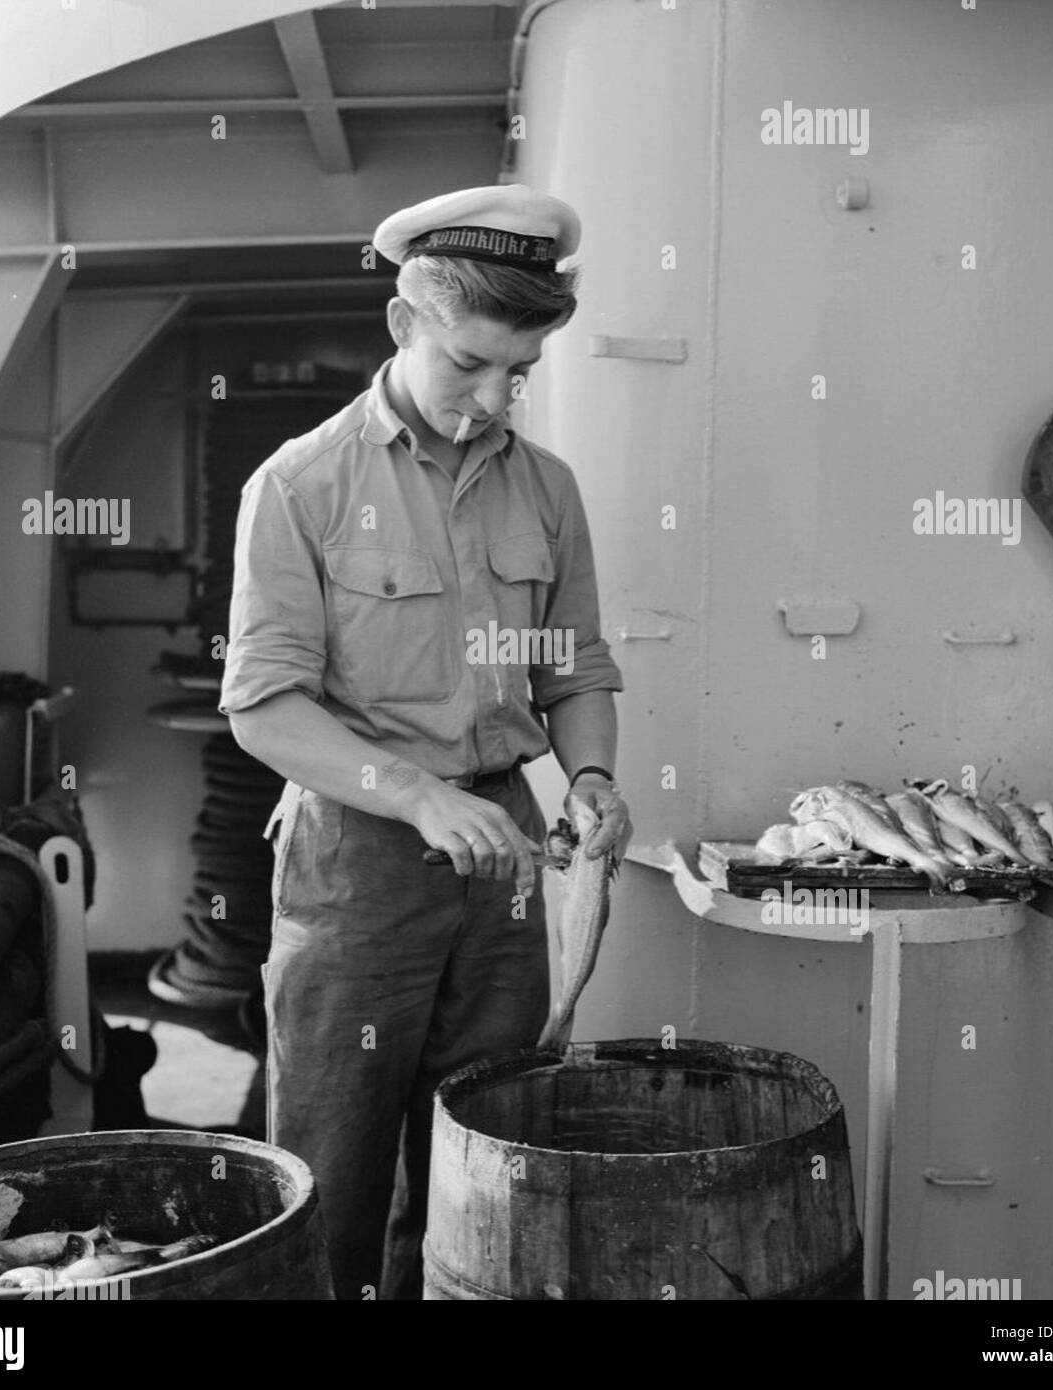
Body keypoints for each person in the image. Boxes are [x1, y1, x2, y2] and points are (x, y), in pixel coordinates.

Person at [219, 184, 632, 1300]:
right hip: (357, 864)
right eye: (468, 365)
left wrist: (589, 776)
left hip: (507, 863)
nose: (492, 400)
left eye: (519, 374)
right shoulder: (299, 485)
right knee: (330, 1167)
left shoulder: (547, 488)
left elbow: (576, 670)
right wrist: (412, 796)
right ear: (403, 325)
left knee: (478, 1166)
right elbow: (262, 705)